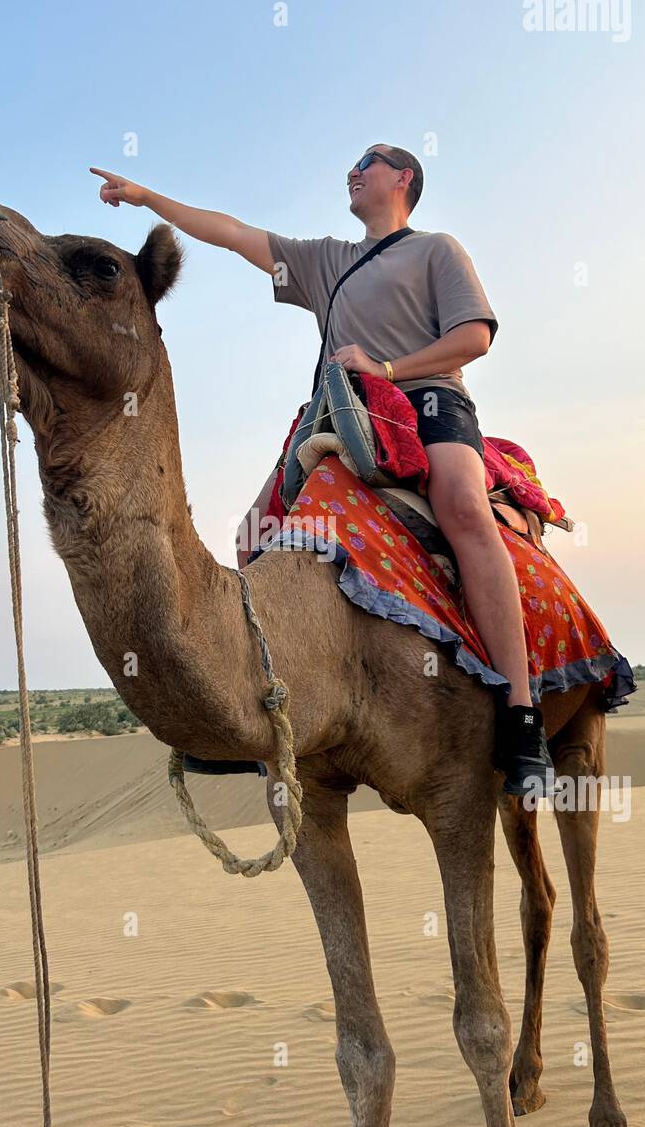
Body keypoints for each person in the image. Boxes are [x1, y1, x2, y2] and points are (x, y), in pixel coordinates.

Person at [90, 146, 551, 793]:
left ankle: (521, 714)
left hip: (426, 402)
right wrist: (147, 198)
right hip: (340, 418)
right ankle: (249, 709)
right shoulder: (325, 259)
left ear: (403, 179)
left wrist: (387, 369)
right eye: (352, 165)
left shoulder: (435, 250)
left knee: (465, 509)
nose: (354, 170)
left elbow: (473, 337)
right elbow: (230, 233)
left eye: (370, 162)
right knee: (252, 535)